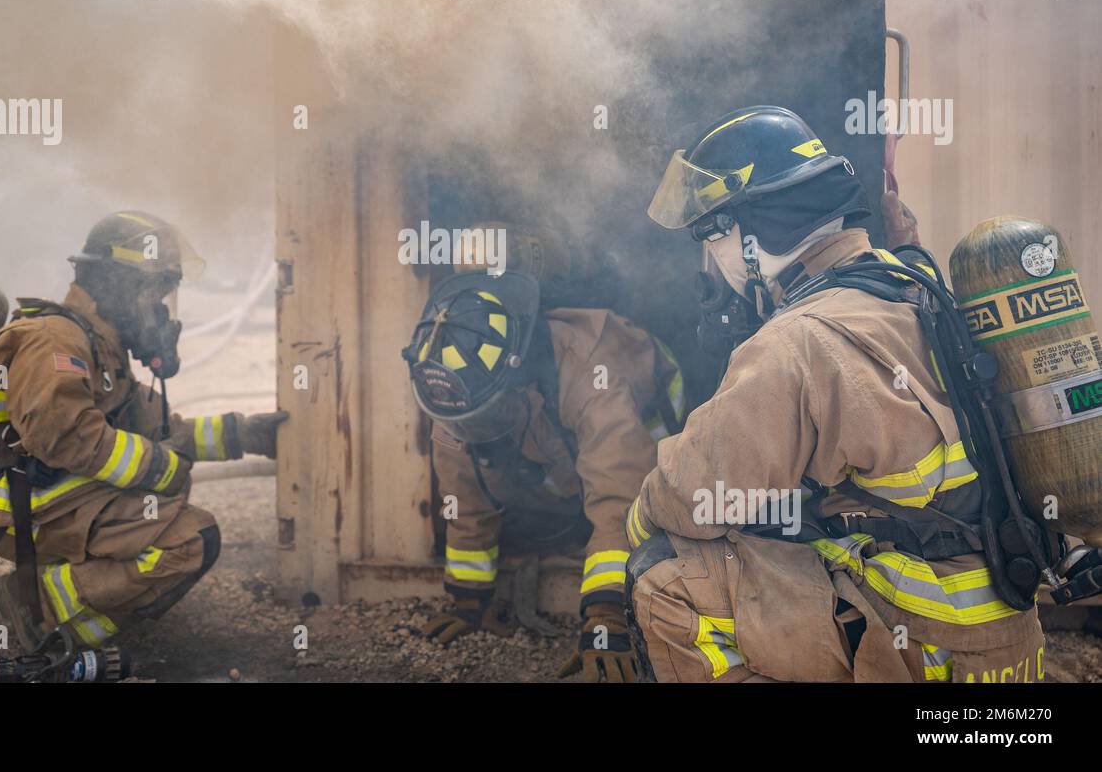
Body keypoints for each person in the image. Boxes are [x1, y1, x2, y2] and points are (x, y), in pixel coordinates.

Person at [625, 106, 1043, 683]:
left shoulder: (798, 339)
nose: (712, 255)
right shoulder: (907, 284)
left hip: (931, 644)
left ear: (750, 236)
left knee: (666, 571)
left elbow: (691, 496)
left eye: (712, 232)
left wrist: (639, 517)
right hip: (1004, 643)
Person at [0, 210, 285, 651]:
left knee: (171, 498)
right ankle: (42, 606)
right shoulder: (55, 341)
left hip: (50, 496)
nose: (160, 310)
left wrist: (243, 435)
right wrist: (161, 468)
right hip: (24, 509)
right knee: (189, 539)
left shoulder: (100, 345)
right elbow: (68, 436)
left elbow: (157, 428)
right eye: (153, 293)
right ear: (119, 283)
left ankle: (76, 609)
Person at [403, 269, 684, 682]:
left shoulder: (594, 371)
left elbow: (619, 498)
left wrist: (608, 614)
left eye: (478, 420)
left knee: (637, 502)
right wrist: (469, 598)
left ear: (518, 380)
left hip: (649, 445)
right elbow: (463, 492)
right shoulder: (456, 382)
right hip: (561, 436)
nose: (464, 436)